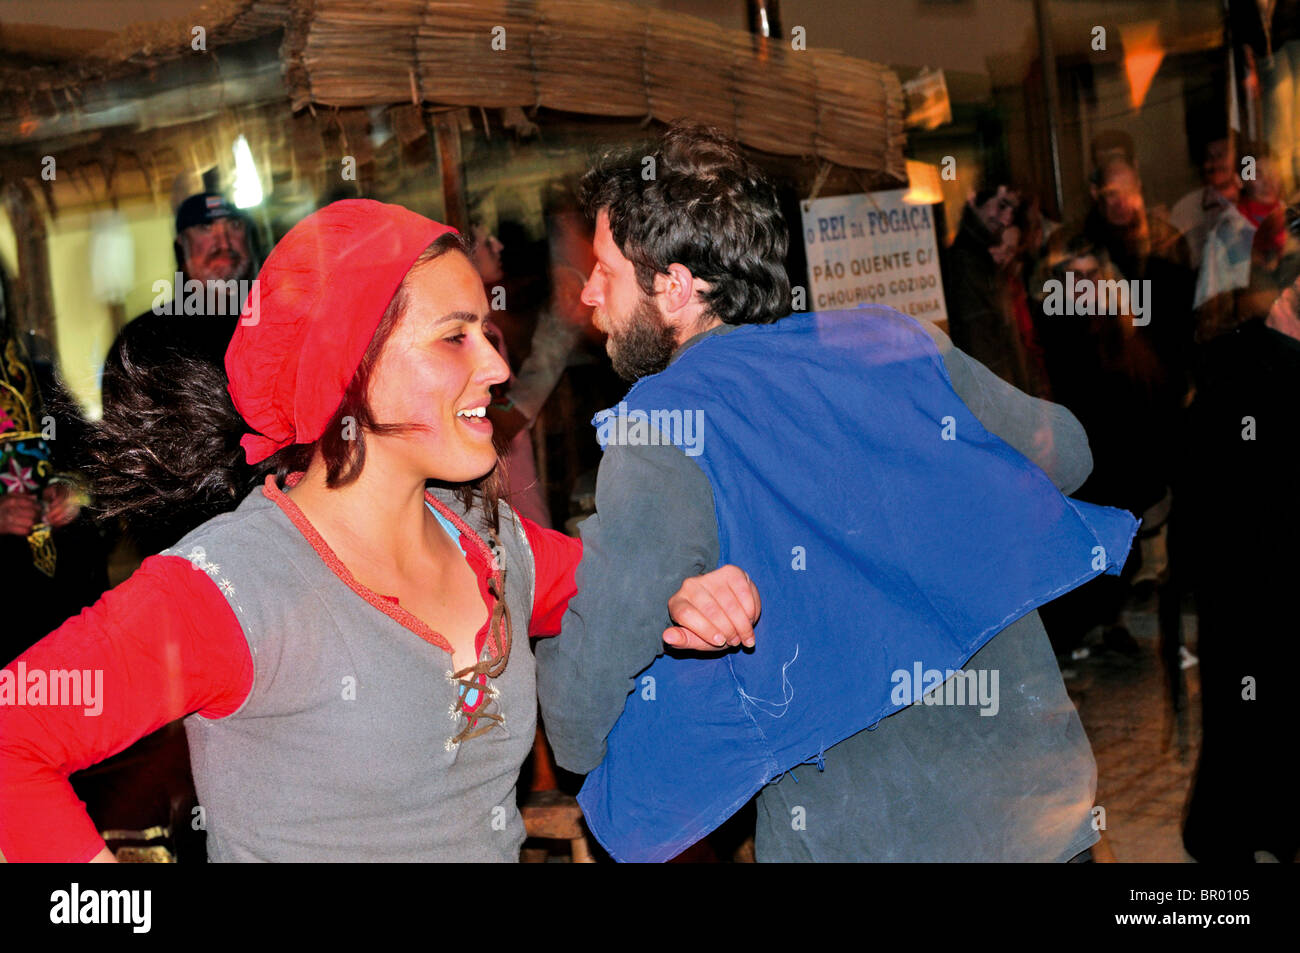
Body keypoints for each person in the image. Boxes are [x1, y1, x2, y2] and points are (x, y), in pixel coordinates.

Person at [0, 200, 758, 863]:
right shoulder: (233, 589)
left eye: (488, 333)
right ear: (349, 368)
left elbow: (618, 590)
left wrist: (695, 593)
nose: (498, 364)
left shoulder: (489, 545)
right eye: (455, 337)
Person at [535, 122, 1137, 862]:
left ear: (677, 287)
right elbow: (1068, 454)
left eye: (604, 268)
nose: (589, 291)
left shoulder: (665, 428)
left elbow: (575, 717)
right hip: (1043, 811)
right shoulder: (889, 340)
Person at [1179, 270, 1300, 863]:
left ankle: (1251, 825)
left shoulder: (1226, 376)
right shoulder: (1256, 376)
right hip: (1259, 587)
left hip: (1243, 590)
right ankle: (1247, 827)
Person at [100, 192, 259, 556]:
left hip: (287, 534)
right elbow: (128, 463)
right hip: (185, 547)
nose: (224, 241)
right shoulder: (145, 341)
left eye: (233, 225)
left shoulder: (285, 323)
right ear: (181, 244)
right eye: (206, 228)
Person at [941, 183, 1035, 391]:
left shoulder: (990, 267)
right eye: (1002, 205)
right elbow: (982, 348)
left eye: (1013, 211)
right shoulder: (966, 265)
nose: (1006, 218)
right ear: (973, 198)